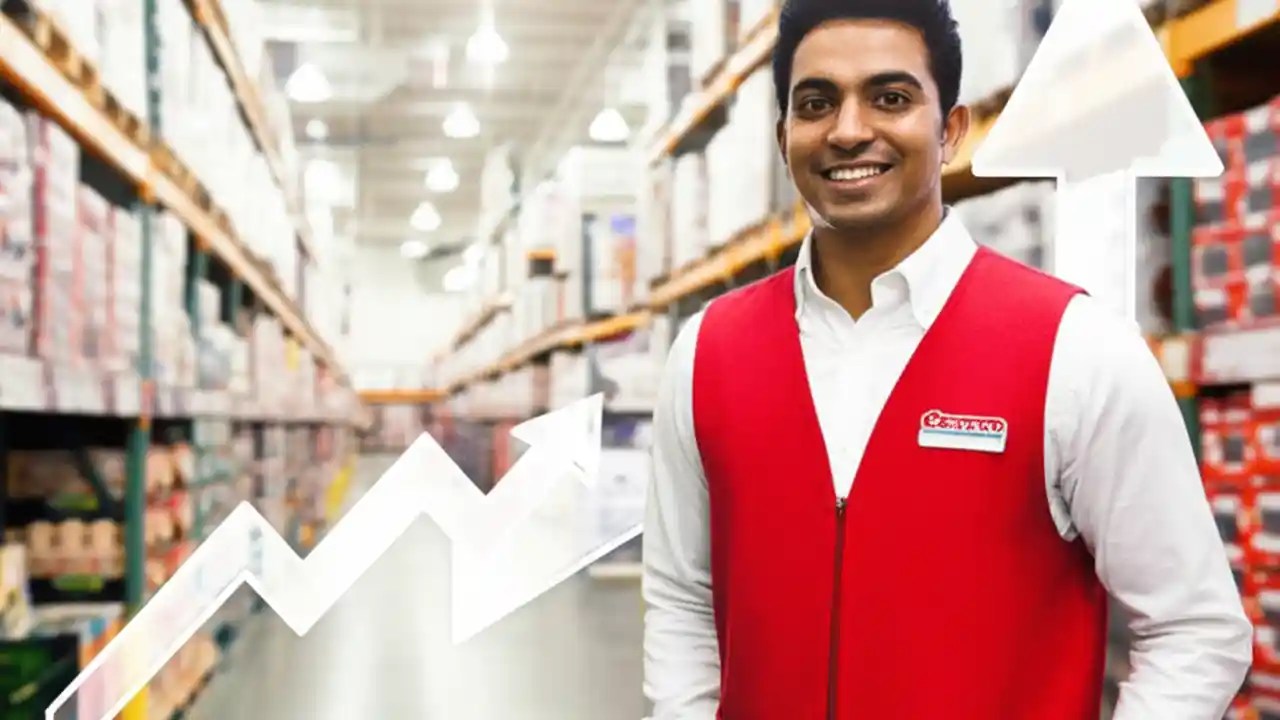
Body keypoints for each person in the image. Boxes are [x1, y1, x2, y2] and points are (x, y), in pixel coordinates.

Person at [640, 0, 1254, 718]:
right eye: (816, 103)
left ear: (951, 130)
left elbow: (1194, 627)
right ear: (783, 139)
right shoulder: (707, 353)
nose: (847, 130)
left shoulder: (1076, 349)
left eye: (890, 98)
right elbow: (683, 600)